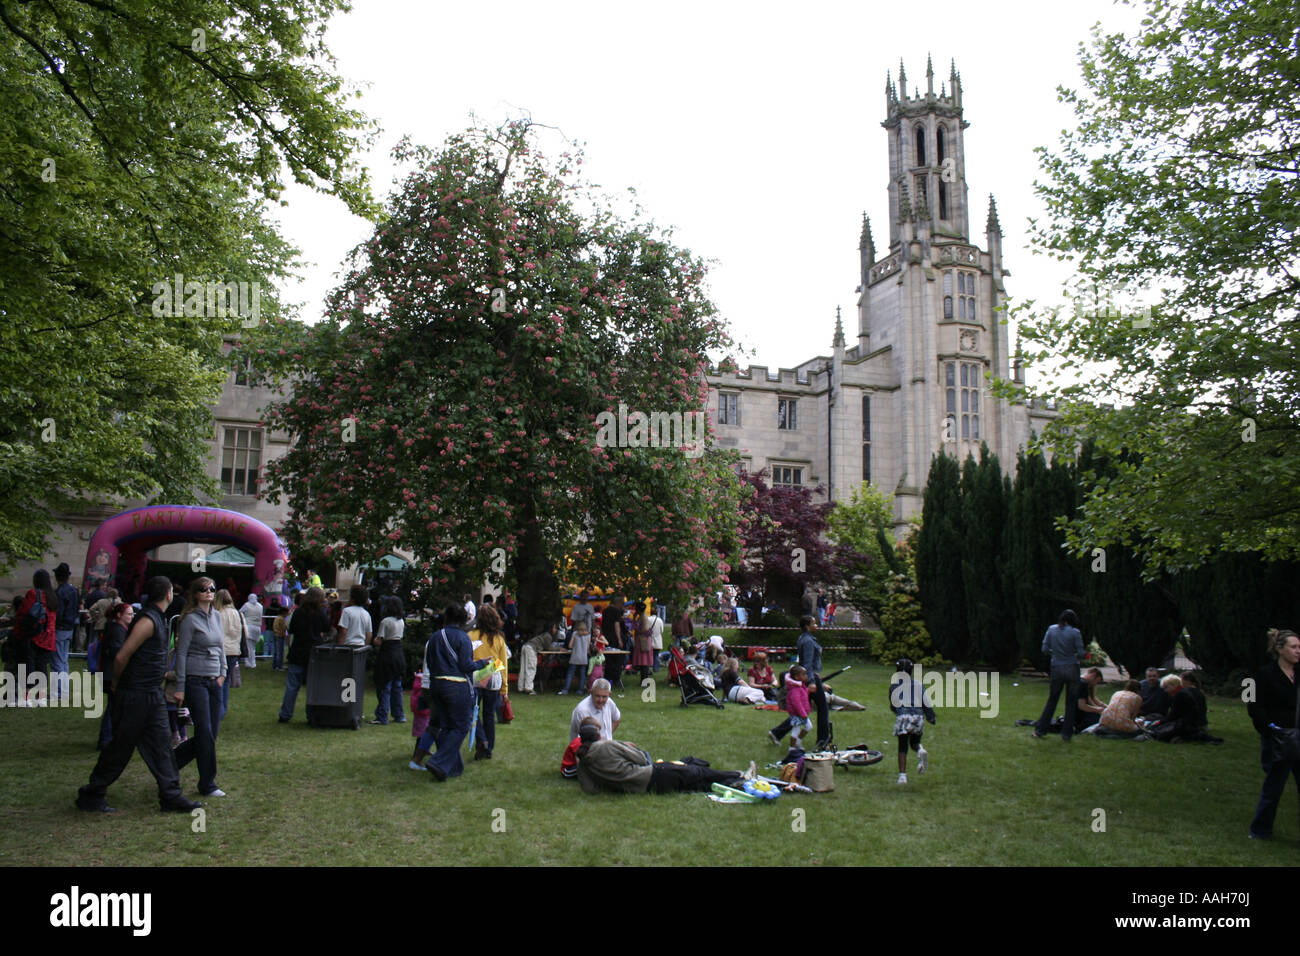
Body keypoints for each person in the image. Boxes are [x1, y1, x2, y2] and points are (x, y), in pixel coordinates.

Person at [75, 576, 203, 813]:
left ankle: (171, 796)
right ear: (168, 594)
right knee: (120, 748)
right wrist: (116, 684)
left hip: (151, 694)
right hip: (136, 694)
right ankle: (92, 794)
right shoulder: (147, 620)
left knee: (162, 745)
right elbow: (123, 656)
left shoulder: (156, 617)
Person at [574, 722, 757, 795]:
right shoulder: (607, 745)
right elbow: (640, 759)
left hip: (640, 790)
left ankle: (734, 784)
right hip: (652, 774)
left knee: (693, 785)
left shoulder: (583, 764)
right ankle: (739, 775)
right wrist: (625, 746)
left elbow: (590, 789)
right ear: (598, 735)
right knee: (696, 771)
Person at [173, 578, 228, 798]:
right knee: (204, 731)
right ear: (196, 593)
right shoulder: (189, 620)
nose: (209, 592)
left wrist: (223, 673)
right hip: (196, 679)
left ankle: (169, 763)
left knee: (210, 733)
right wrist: (180, 685)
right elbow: (182, 652)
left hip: (215, 680)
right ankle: (207, 783)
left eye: (212, 589)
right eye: (205, 589)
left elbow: (222, 646)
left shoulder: (217, 616)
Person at [411, 604, 478, 782]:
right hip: (456, 686)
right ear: (463, 620)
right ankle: (439, 762)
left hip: (436, 685)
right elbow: (466, 666)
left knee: (446, 726)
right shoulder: (463, 638)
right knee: (461, 726)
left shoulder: (434, 637)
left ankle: (453, 767)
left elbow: (430, 663)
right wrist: (482, 664)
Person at [1247, 628, 1300, 840]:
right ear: (1280, 649)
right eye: (1293, 647)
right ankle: (1260, 830)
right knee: (1274, 787)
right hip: (1278, 739)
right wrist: (1268, 729)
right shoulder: (1262, 674)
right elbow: (1253, 704)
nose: (1298, 651)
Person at [1032, 610, 1086, 741]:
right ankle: (1066, 734)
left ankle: (1040, 730)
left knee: (1052, 700)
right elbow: (1080, 653)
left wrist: (1055, 654)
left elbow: (1044, 649)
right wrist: (1072, 656)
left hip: (1057, 667)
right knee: (1071, 702)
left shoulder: (1052, 629)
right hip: (1072, 668)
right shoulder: (1075, 632)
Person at [279, 586, 329, 723]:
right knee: (312, 688)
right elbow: (326, 628)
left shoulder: (298, 612)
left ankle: (285, 714)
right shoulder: (321, 613)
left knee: (292, 687)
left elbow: (292, 629)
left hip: (298, 651)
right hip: (314, 654)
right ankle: (311, 715)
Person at [470, 605, 509, 760]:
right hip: (493, 677)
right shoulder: (499, 639)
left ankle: (482, 740)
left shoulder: (471, 635)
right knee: (489, 714)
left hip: (476, 675)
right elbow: (502, 663)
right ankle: (489, 747)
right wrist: (504, 689)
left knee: (472, 712)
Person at [889, 657, 936, 784]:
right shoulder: (918, 685)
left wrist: (896, 711)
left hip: (903, 716)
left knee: (902, 747)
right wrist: (931, 717)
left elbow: (893, 704)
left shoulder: (894, 685)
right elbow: (926, 702)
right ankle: (920, 750)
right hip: (918, 716)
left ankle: (902, 776)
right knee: (914, 742)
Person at [96, 600, 134, 750]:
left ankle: (110, 737)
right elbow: (117, 652)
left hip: (109, 674)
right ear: (119, 615)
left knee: (115, 706)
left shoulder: (115, 629)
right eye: (129, 614)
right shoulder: (117, 630)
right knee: (114, 706)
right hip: (111, 675)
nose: (131, 616)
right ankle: (106, 738)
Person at [18, 570, 57, 704]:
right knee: (42, 666)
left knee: (29, 665)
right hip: (49, 637)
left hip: (34, 635)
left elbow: (24, 613)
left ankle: (27, 698)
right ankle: (41, 697)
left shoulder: (33, 594)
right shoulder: (52, 596)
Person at [793, 615, 832, 749]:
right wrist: (811, 681)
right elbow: (807, 663)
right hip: (810, 678)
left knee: (802, 710)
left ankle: (777, 732)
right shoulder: (808, 641)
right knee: (823, 708)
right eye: (814, 623)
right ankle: (822, 739)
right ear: (807, 627)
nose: (816, 625)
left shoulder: (803, 638)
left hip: (810, 677)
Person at [369, 595, 407, 725]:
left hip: (387, 653)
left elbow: (379, 640)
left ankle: (382, 715)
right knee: (397, 686)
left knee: (384, 686)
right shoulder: (401, 621)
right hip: (399, 653)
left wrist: (373, 640)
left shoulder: (385, 621)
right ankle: (399, 714)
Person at [214, 589, 244, 724]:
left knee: (219, 680)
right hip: (234, 650)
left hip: (222, 650)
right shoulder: (237, 613)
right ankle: (222, 709)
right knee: (225, 681)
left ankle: (218, 709)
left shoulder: (217, 614)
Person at [52, 562, 79, 702]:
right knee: (63, 660)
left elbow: (58, 613)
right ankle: (64, 690)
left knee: (57, 661)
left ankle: (58, 693)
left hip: (60, 628)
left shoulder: (59, 592)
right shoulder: (74, 591)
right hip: (70, 628)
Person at [568, 678, 621, 742]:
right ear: (591, 692)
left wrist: (608, 736)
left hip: (605, 747)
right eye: (597, 696)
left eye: (604, 697)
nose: (600, 700)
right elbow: (583, 739)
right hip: (585, 747)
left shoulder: (609, 702)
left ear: (609, 694)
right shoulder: (582, 710)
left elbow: (617, 719)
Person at [518, 621, 559, 695]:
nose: (556, 630)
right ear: (551, 628)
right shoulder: (548, 636)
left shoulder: (543, 635)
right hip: (531, 649)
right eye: (555, 628)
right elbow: (549, 648)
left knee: (523, 668)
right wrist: (559, 649)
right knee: (531, 668)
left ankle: (521, 687)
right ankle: (528, 688)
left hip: (526, 646)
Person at [557, 621, 591, 695]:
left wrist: (575, 647)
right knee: (582, 674)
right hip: (584, 657)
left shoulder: (575, 633)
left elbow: (570, 645)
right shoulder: (588, 635)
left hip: (575, 656)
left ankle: (565, 690)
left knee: (570, 673)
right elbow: (588, 647)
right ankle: (580, 690)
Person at [239, 593, 264, 668]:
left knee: (248, 646)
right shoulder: (260, 606)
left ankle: (249, 663)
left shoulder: (246, 605)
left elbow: (240, 612)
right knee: (253, 647)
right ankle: (253, 662)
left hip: (248, 626)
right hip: (257, 627)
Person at [630, 603, 654, 680]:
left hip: (643, 641)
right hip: (641, 640)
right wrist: (634, 617)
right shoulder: (641, 616)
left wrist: (638, 631)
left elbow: (645, 629)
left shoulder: (643, 617)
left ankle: (644, 680)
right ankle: (643, 679)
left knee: (644, 661)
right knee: (642, 661)